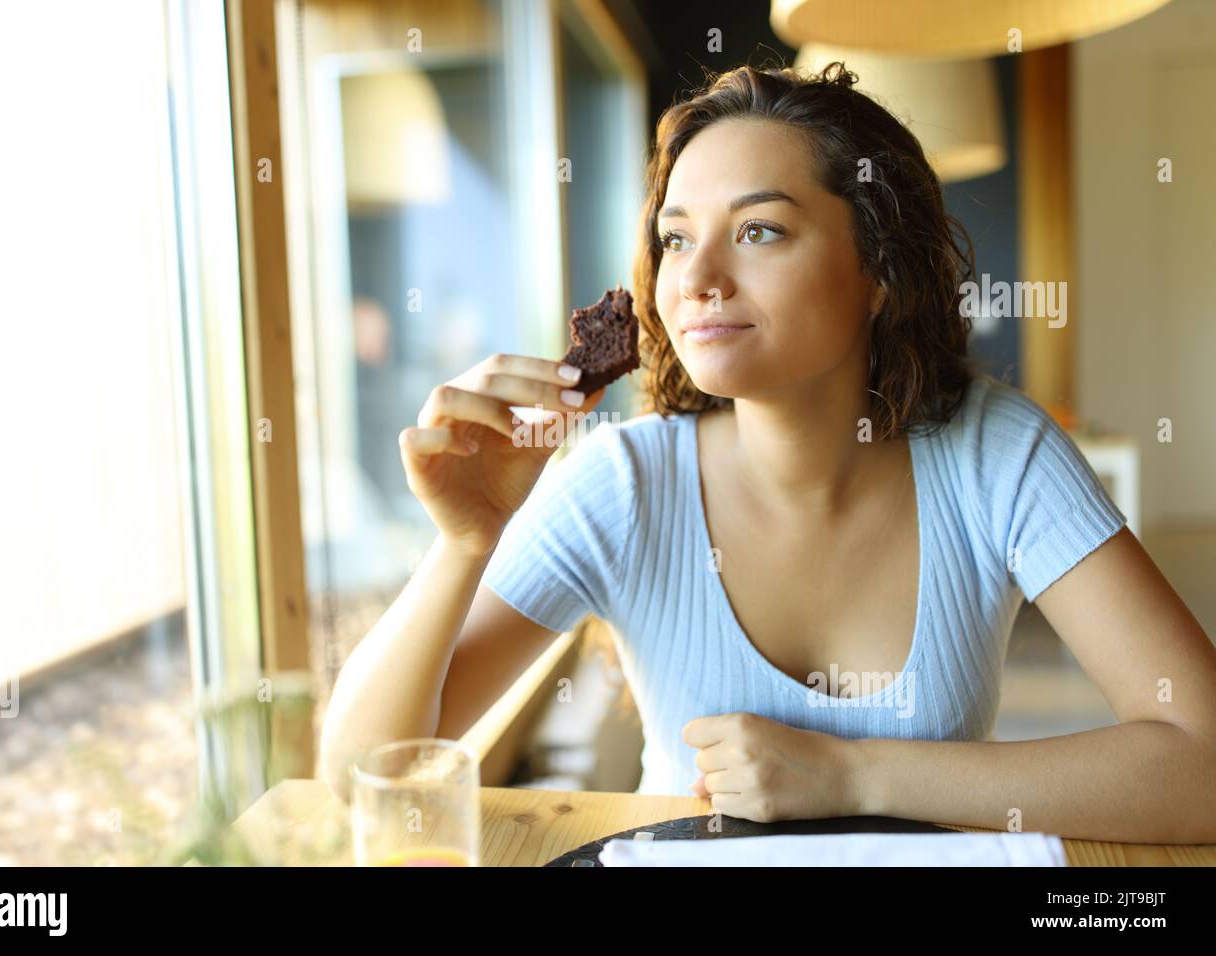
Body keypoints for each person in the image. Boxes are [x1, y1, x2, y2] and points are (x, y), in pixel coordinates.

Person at [319, 63, 1216, 844]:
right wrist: (465, 544)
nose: (697, 278)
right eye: (676, 238)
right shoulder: (623, 483)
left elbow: (1202, 758)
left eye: (759, 230)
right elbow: (361, 780)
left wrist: (853, 775)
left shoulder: (1000, 455)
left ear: (879, 270)